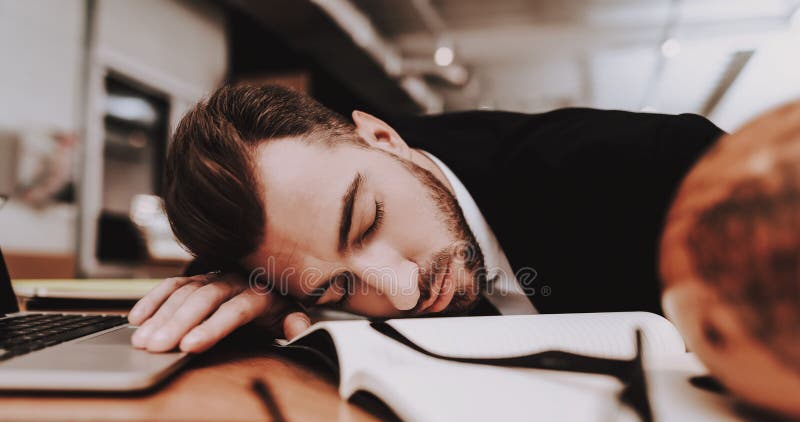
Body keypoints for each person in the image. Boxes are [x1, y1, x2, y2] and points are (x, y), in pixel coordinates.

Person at [128, 83, 724, 353]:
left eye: (365, 222)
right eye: (338, 285)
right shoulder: (287, 256)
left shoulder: (652, 167)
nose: (402, 288)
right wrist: (252, 285)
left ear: (383, 137)